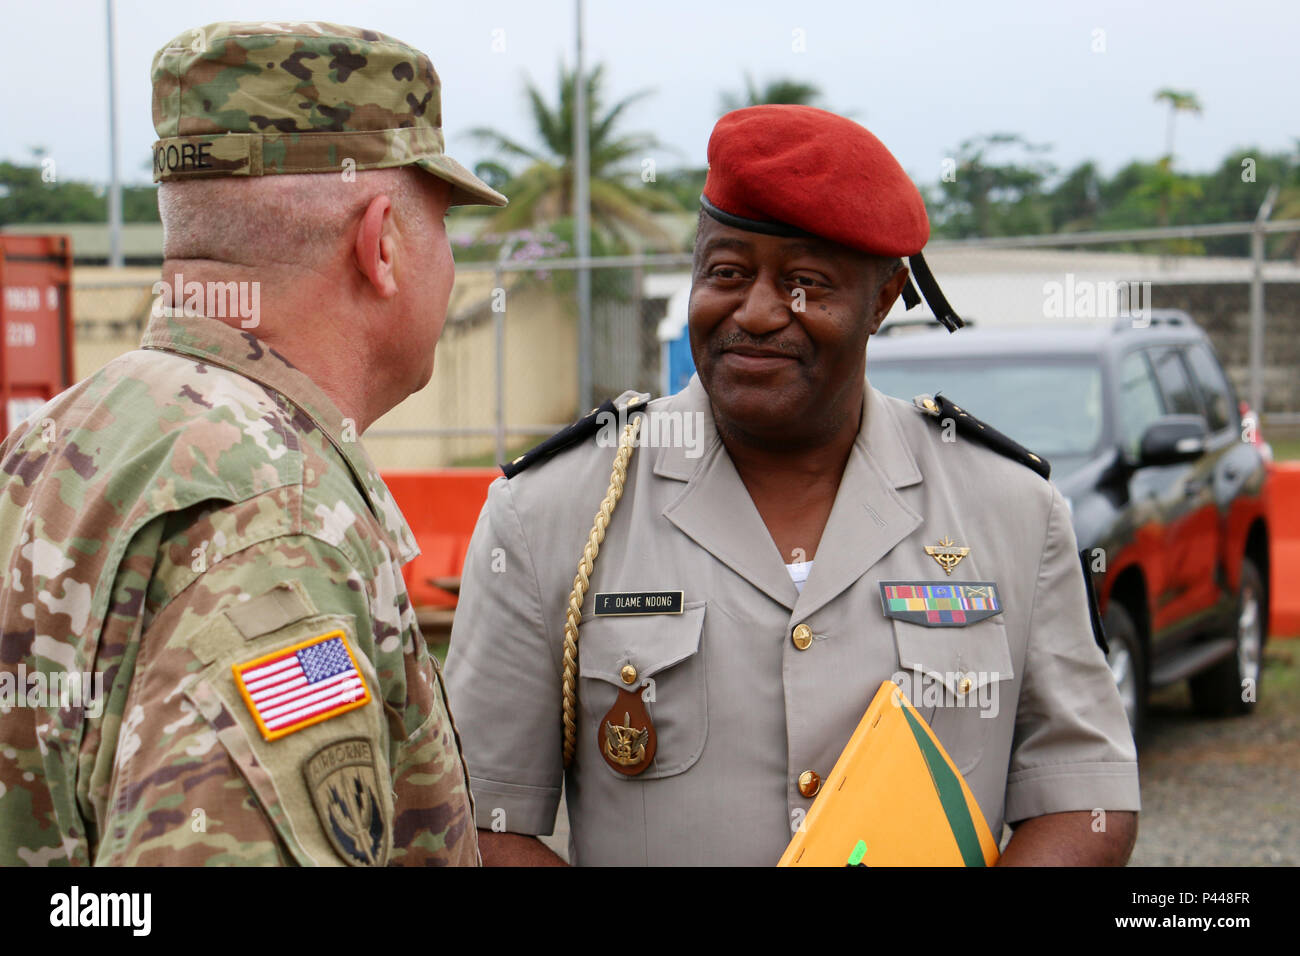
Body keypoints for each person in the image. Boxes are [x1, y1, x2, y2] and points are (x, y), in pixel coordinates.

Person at [444, 105, 1140, 866]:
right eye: (727, 273)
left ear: (882, 300)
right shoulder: (550, 513)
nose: (759, 311)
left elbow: (1087, 794)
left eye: (806, 282)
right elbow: (477, 824)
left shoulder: (1010, 508)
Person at [0, 20, 506, 866]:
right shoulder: (283, 524)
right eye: (442, 227)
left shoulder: (51, 444)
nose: (451, 268)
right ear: (380, 243)